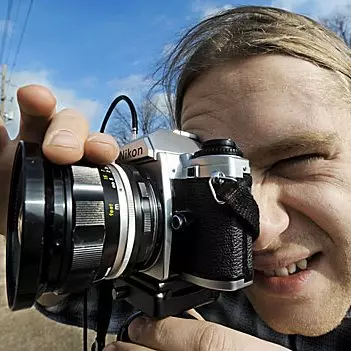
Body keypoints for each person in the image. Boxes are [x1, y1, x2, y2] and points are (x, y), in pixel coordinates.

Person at [1, 5, 350, 351]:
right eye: (206, 176)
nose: (259, 234)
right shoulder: (212, 288)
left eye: (297, 160)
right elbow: (83, 299)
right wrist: (40, 216)